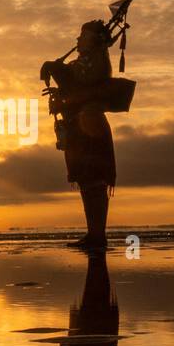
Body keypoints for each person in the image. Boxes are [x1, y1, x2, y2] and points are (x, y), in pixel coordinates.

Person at [41, 19, 119, 251]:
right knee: (87, 183)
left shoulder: (95, 63)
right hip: (81, 126)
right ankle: (94, 234)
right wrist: (61, 97)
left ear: (95, 41)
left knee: (94, 181)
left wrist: (57, 70)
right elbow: (77, 89)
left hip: (90, 127)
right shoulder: (88, 62)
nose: (77, 40)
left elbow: (81, 86)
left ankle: (97, 236)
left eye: (82, 36)